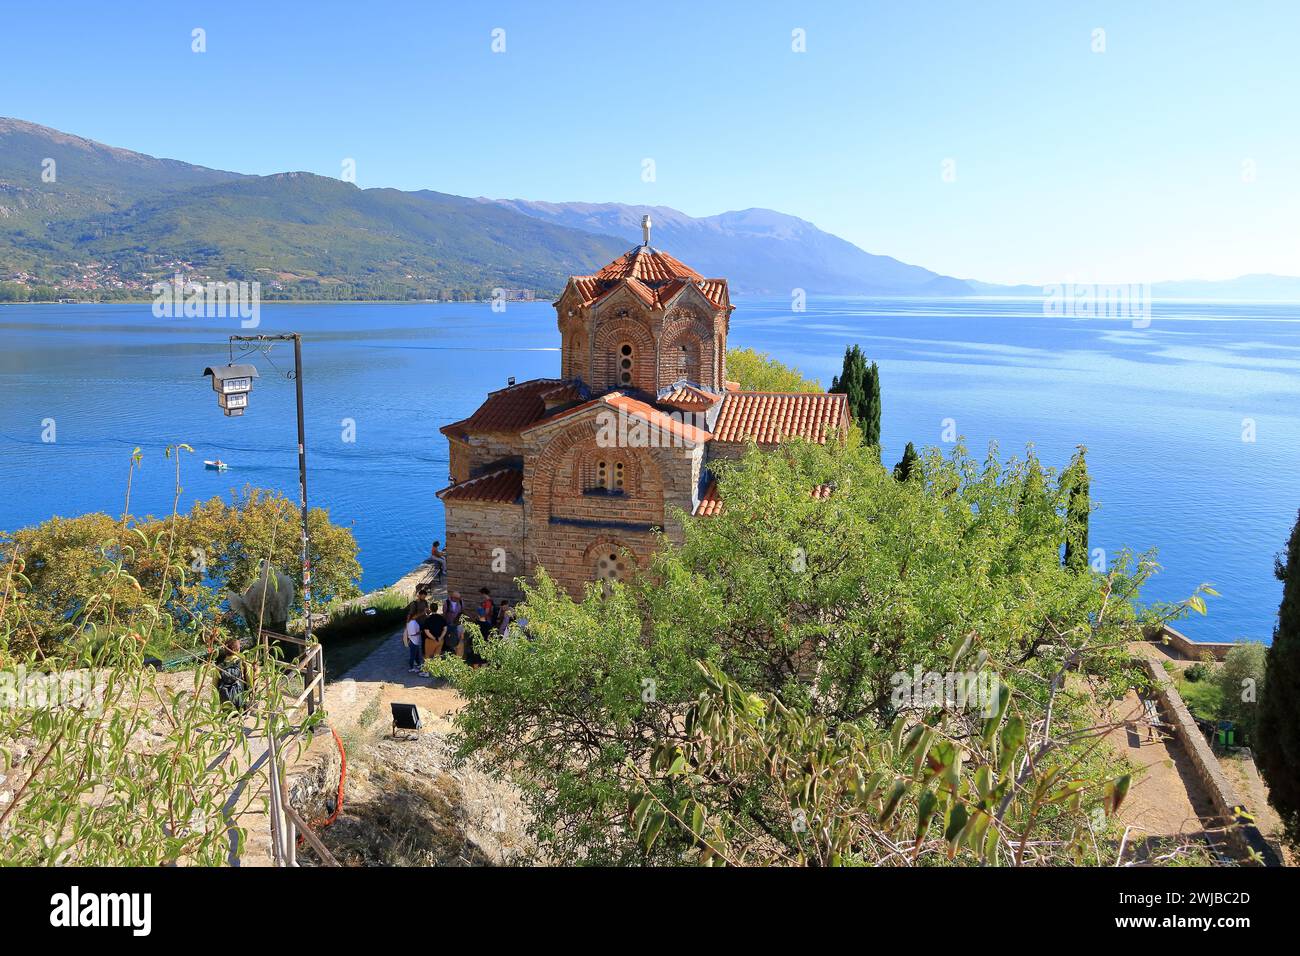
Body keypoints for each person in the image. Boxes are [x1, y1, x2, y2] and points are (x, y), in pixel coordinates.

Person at [402, 607, 424, 673]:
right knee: (413, 655)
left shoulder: (412, 622)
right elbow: (412, 634)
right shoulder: (412, 623)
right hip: (413, 641)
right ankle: (411, 668)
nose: (417, 615)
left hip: (415, 641)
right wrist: (420, 632)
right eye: (416, 614)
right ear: (413, 616)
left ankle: (419, 664)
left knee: (417, 654)